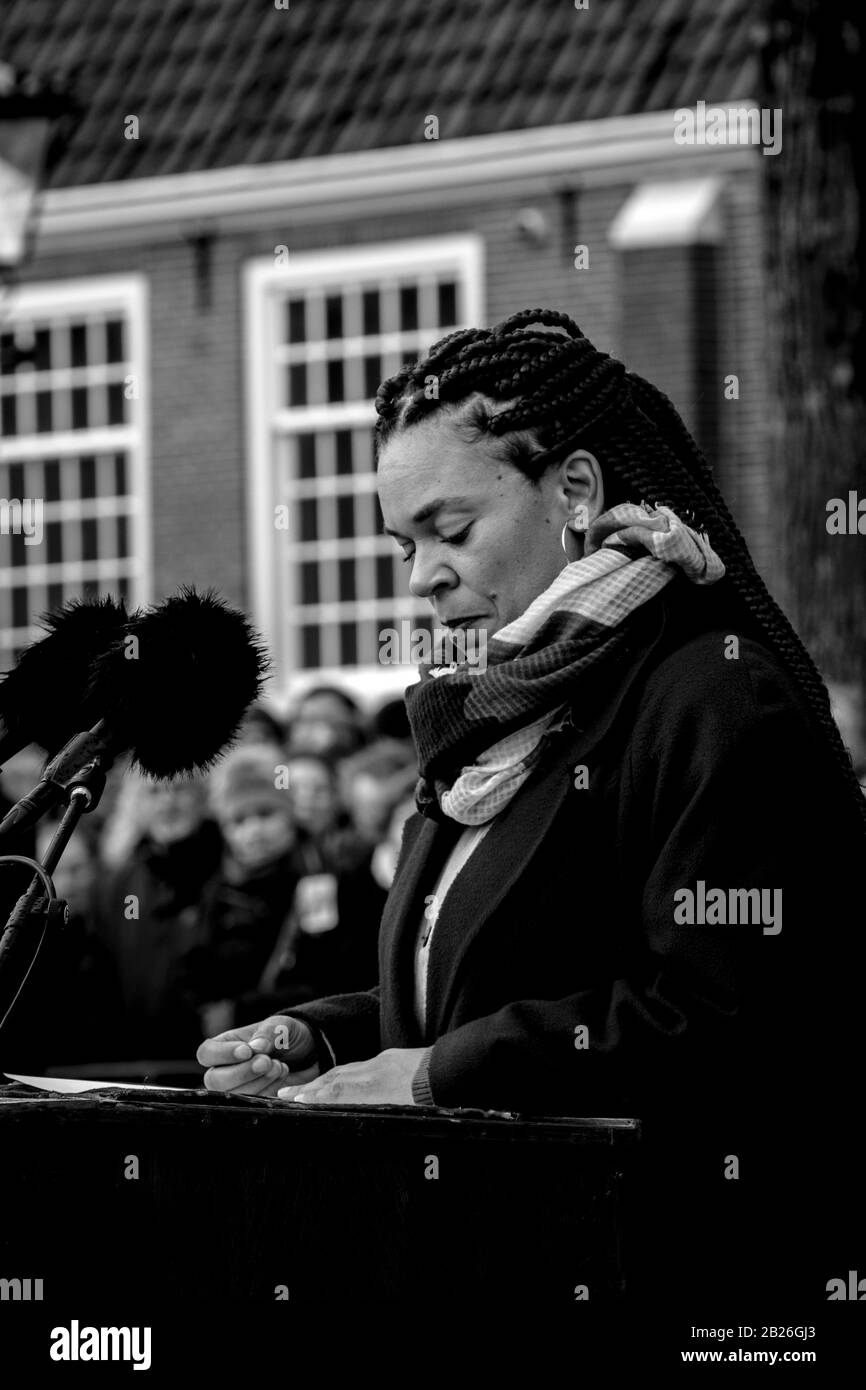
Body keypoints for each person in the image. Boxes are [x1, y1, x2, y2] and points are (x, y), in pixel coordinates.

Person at [196, 309, 866, 1309]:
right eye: (403, 543)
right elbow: (498, 978)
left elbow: (715, 1014)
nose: (422, 577)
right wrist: (333, 1039)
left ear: (576, 492)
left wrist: (433, 1077)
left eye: (450, 530)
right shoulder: (488, 719)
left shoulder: (709, 695)